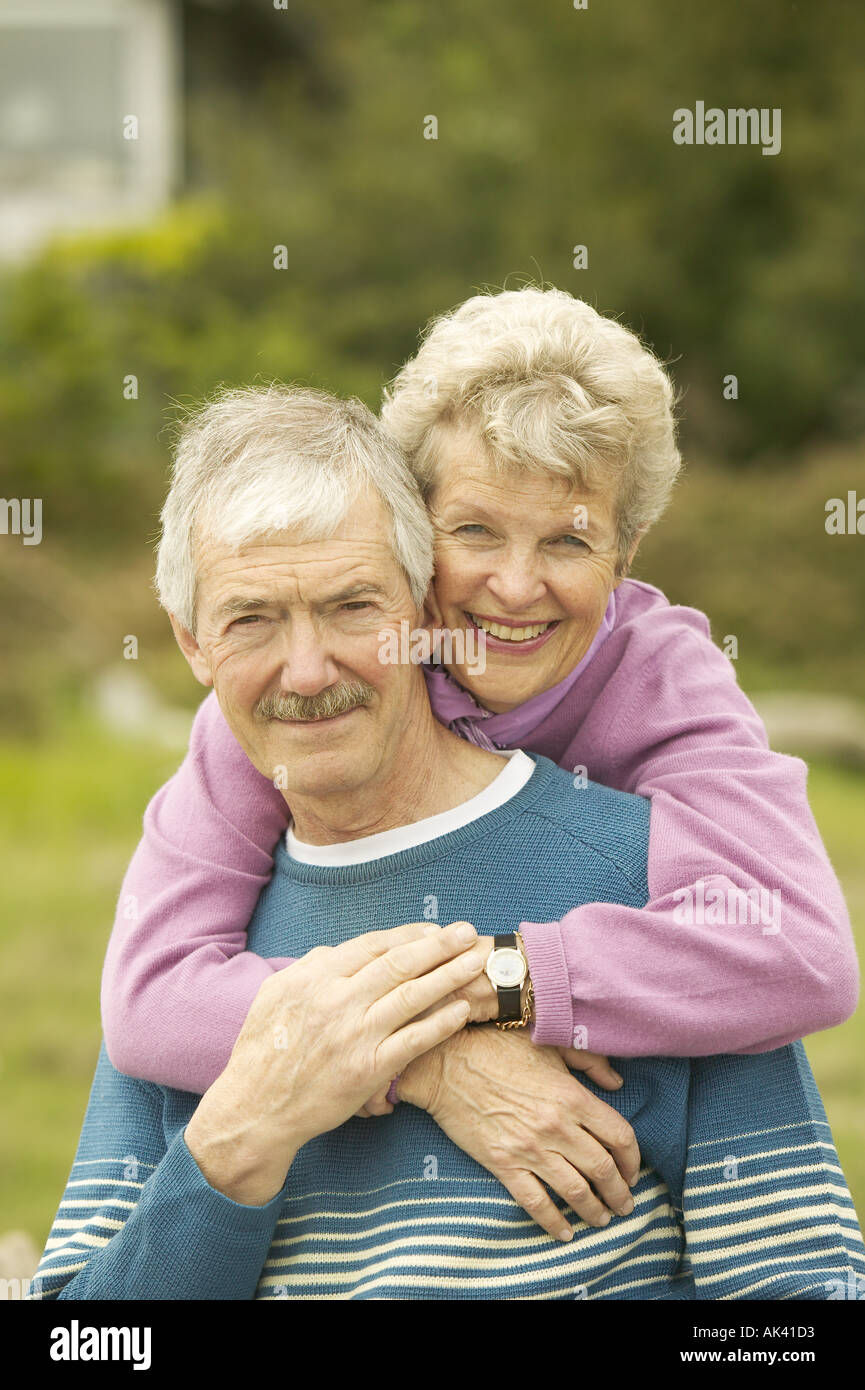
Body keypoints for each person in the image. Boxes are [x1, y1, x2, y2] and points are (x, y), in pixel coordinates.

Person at [31, 388, 865, 1299]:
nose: (307, 672)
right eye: (251, 619)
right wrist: (237, 1146)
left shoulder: (665, 897)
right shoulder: (188, 962)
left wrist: (462, 995)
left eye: (353, 607)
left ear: (423, 604)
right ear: (193, 645)